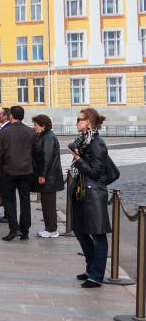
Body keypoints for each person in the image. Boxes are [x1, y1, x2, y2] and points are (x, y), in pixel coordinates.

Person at [69, 108, 112, 288]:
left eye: (80, 120)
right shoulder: (84, 141)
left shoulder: (97, 144)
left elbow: (95, 172)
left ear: (88, 122)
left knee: (98, 234)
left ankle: (96, 275)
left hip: (93, 194)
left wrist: (78, 158)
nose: (77, 122)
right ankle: (91, 268)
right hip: (82, 192)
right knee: (80, 231)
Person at [0, 105, 36, 241]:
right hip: (26, 170)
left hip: (9, 170)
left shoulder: (4, 132)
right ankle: (24, 230)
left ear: (10, 116)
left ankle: (13, 228)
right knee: (25, 200)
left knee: (9, 200)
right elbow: (35, 153)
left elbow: (0, 153)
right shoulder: (31, 132)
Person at [32, 114, 64, 239]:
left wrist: (42, 175)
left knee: (49, 204)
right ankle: (49, 228)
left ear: (43, 125)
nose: (34, 127)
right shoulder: (44, 136)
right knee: (46, 203)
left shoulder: (48, 137)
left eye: (36, 124)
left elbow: (47, 157)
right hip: (48, 176)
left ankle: (52, 229)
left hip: (49, 177)